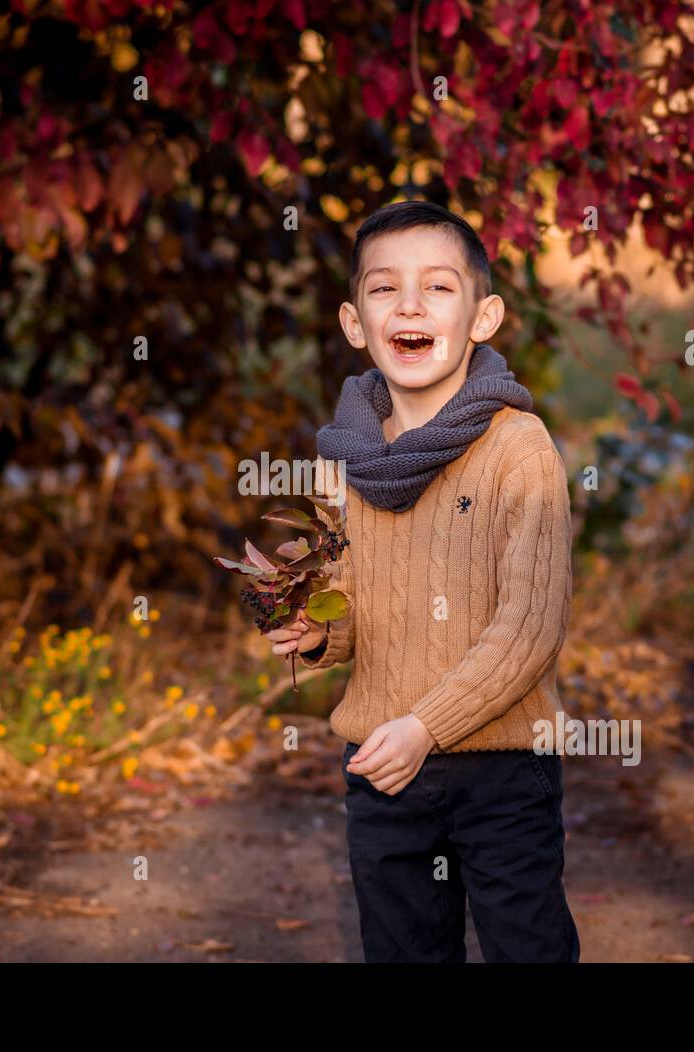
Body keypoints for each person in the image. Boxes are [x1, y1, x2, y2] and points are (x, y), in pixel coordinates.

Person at [263, 200, 580, 963]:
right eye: (384, 289)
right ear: (352, 321)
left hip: (502, 769)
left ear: (483, 316)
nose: (409, 304)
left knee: (527, 949)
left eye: (438, 287)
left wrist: (427, 726)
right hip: (383, 767)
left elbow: (530, 626)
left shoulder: (518, 449)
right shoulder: (344, 458)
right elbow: (357, 597)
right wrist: (323, 633)